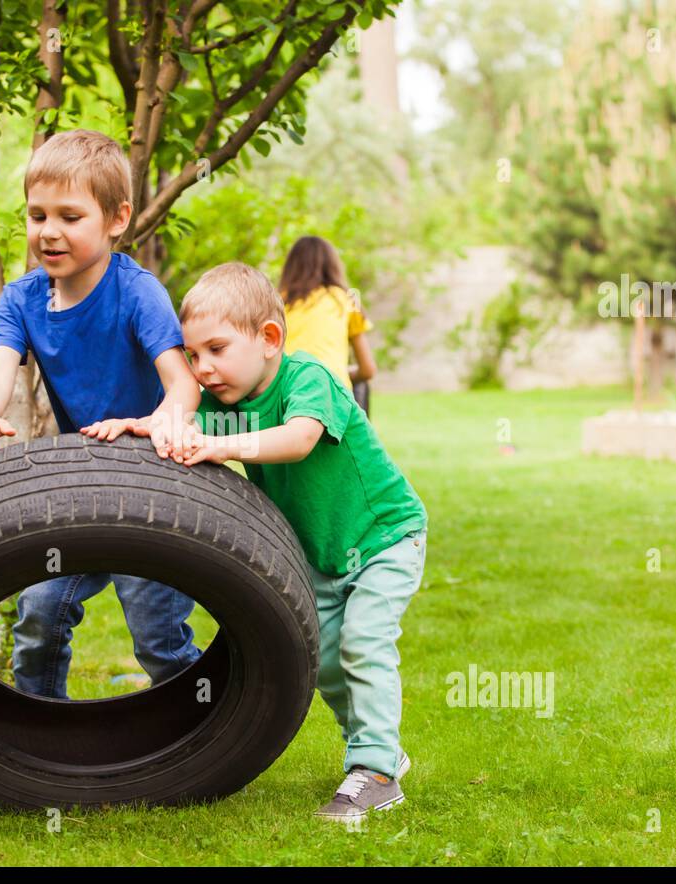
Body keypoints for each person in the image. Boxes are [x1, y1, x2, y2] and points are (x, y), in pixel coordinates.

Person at [82, 262, 427, 820]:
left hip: (384, 536)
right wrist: (141, 425)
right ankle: (378, 747)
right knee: (326, 663)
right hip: (319, 555)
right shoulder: (223, 402)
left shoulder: (306, 377)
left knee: (363, 642)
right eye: (194, 355)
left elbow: (298, 439)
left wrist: (224, 447)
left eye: (217, 349)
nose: (203, 368)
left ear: (269, 339)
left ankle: (376, 770)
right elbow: (182, 420)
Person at [0, 129, 203, 700]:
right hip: (85, 484)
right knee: (39, 612)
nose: (49, 231)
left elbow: (182, 383)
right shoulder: (22, 299)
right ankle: (39, 724)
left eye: (70, 216)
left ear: (117, 219)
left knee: (157, 637)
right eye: (37, 215)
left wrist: (163, 419)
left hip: (153, 483)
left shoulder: (139, 294)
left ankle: (196, 729)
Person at [278, 235, 377, 414]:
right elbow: (367, 369)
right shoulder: (346, 298)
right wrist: (339, 373)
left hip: (287, 392)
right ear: (332, 266)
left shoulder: (277, 302)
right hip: (334, 394)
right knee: (361, 385)